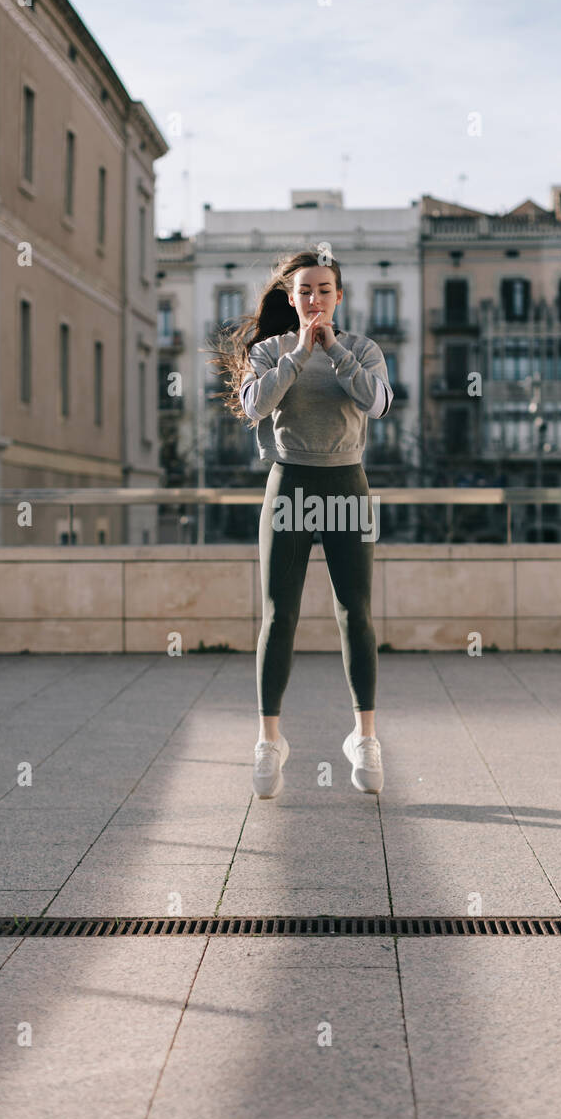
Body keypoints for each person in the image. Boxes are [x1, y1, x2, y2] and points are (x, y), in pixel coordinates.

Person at [210, 249, 393, 799]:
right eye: (305, 291)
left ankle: (364, 737)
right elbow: (254, 407)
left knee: (354, 611)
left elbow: (378, 403)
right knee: (277, 614)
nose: (314, 299)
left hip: (346, 487)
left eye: (324, 290)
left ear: (339, 296)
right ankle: (269, 740)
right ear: (291, 299)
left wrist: (333, 349)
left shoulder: (362, 349)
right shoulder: (268, 351)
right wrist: (294, 356)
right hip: (289, 485)